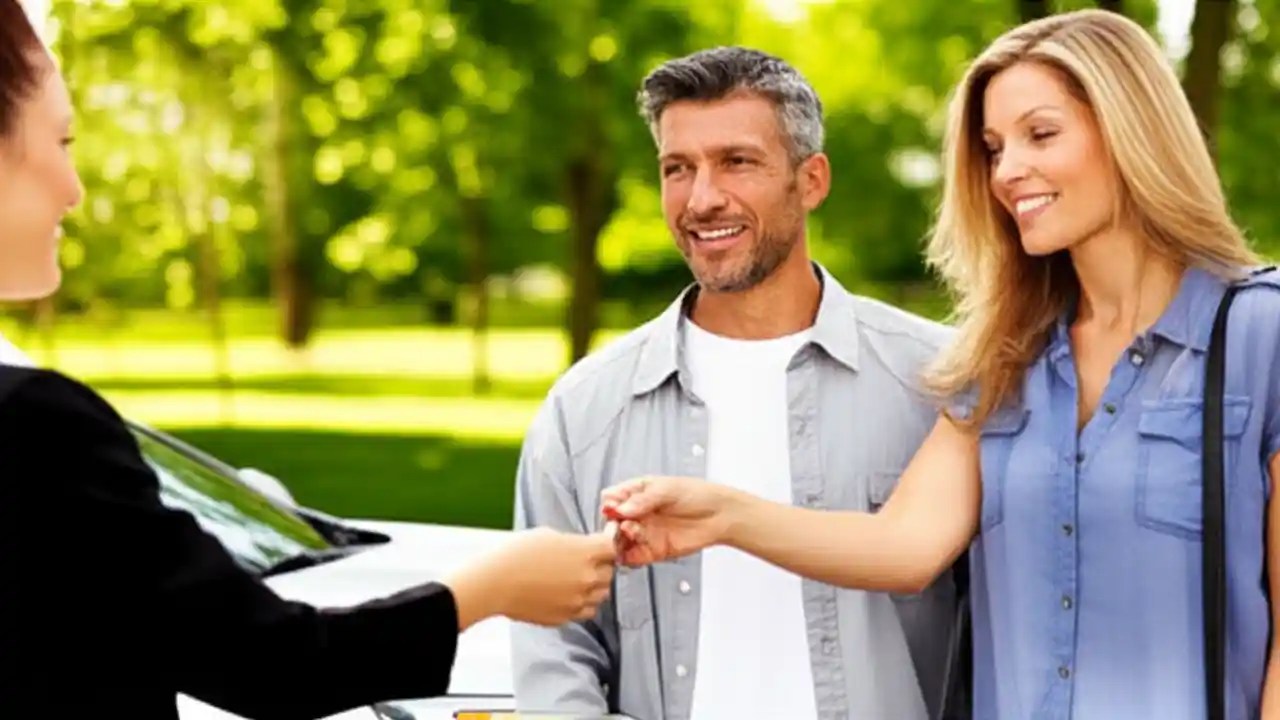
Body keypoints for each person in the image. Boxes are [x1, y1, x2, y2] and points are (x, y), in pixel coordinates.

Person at [602, 9, 1280, 720]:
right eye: (993, 148)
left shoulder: (1257, 334)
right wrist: (721, 515)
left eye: (1041, 134)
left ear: (1130, 130)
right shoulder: (1006, 354)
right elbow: (903, 546)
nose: (1008, 172)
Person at [0, 3, 620, 717]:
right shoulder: (36, 426)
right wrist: (490, 588)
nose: (74, 190)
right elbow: (270, 665)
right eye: (63, 142)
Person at [511, 46, 965, 720]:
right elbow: (554, 658)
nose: (701, 199)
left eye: (737, 162)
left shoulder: (940, 381)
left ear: (811, 181)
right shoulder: (584, 412)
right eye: (678, 168)